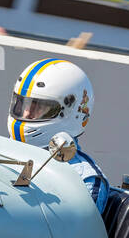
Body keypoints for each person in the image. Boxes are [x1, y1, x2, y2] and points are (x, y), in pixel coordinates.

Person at [8, 58, 109, 213]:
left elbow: (74, 235)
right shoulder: (0, 148)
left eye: (38, 107)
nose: (26, 113)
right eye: (22, 104)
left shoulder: (84, 179)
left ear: (71, 112)